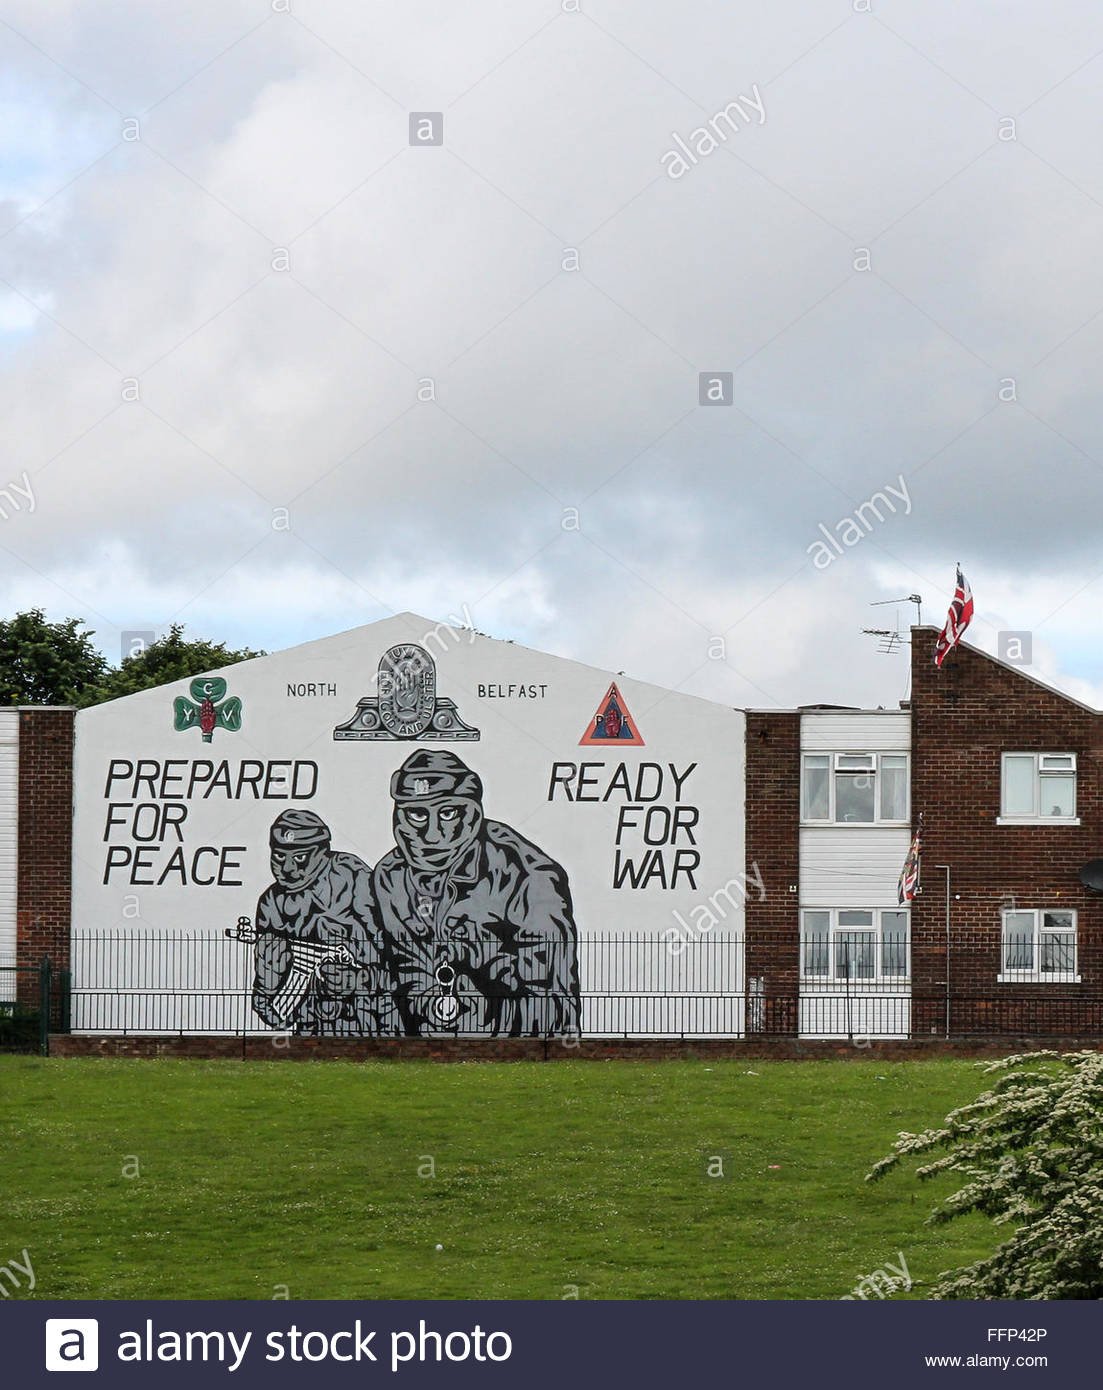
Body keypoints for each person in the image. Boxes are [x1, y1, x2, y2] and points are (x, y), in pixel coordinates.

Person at [372, 749, 580, 1037]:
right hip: (428, 1054)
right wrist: (431, 1007)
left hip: (513, 1053)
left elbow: (550, 1004)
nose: (431, 835)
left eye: (447, 813)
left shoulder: (528, 877)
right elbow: (405, 972)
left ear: (471, 814)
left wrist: (481, 960)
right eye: (417, 814)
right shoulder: (390, 876)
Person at [250, 808, 393, 1036]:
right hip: (313, 1027)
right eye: (279, 856)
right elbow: (275, 1017)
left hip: (370, 1021)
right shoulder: (272, 903)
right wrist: (268, 980)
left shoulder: (351, 876)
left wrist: (362, 980)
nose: (287, 869)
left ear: (323, 851)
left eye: (300, 857)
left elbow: (397, 954)